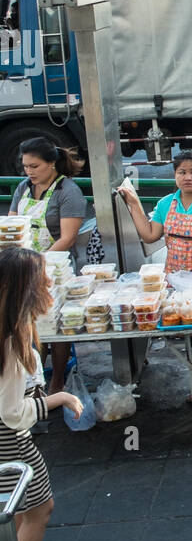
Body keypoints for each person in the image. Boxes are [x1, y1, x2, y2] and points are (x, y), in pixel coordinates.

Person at [0, 248, 83, 541]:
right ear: (27, 290)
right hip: (11, 440)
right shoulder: (11, 343)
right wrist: (59, 398)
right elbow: (14, 414)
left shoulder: (13, 326)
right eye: (44, 278)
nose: (50, 283)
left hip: (9, 438)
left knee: (21, 511)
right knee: (39, 509)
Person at [118, 151, 192, 408]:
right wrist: (134, 204)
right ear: (175, 176)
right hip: (180, 284)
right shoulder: (165, 204)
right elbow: (150, 235)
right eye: (182, 172)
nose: (188, 177)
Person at [10, 137, 88, 395]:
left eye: (34, 166)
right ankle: (34, 379)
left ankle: (57, 382)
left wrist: (37, 263)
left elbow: (68, 237)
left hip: (55, 268)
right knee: (29, 325)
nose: (28, 172)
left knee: (56, 324)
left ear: (51, 164)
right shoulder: (22, 188)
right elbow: (12, 226)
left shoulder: (68, 191)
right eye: (25, 167)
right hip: (23, 269)